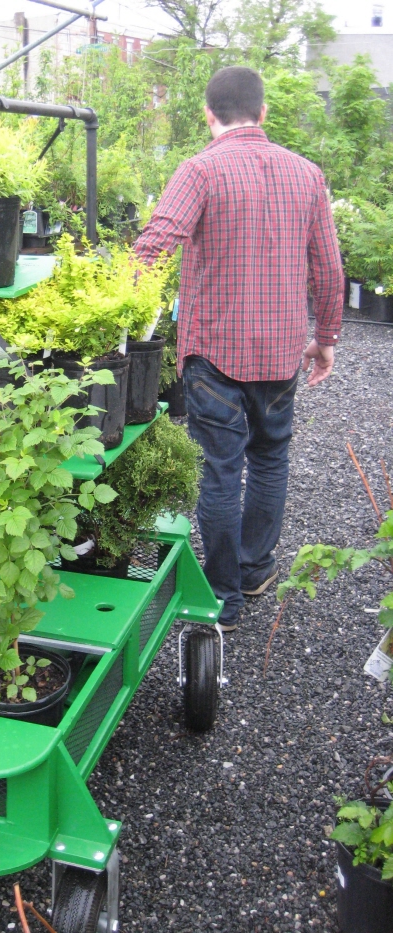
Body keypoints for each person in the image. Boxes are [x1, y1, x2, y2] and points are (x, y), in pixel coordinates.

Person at [133, 65, 343, 633]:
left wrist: (117, 312)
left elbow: (155, 244)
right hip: (280, 353)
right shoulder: (307, 174)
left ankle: (224, 595)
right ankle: (255, 570)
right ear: (263, 113)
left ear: (209, 114)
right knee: (271, 457)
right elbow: (328, 266)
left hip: (214, 354)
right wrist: (324, 340)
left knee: (220, 471)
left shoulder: (200, 169)